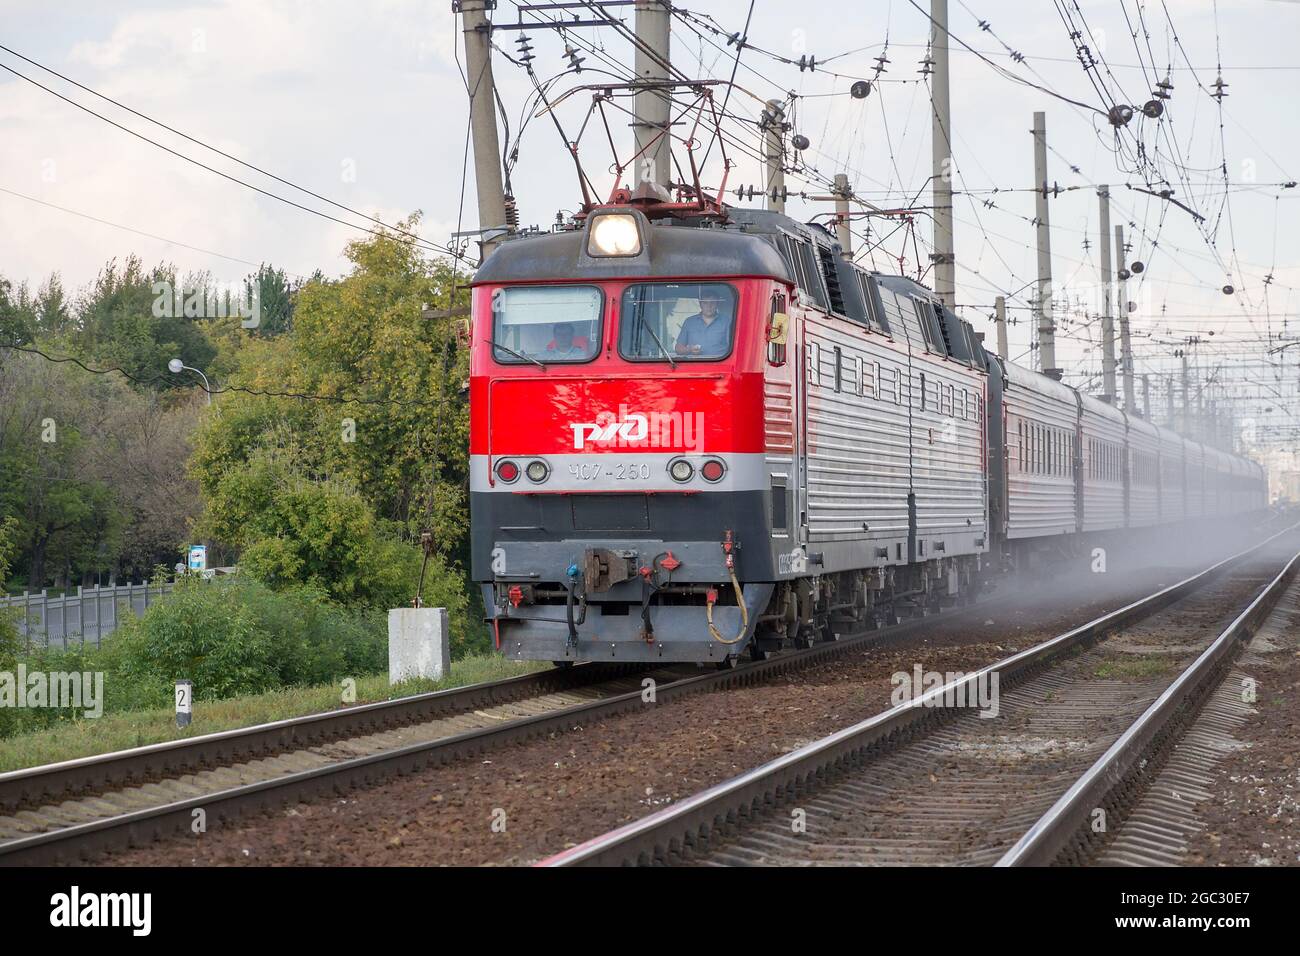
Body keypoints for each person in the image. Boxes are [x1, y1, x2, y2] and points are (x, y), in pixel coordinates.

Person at [673, 291, 732, 357]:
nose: (709, 306)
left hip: (722, 364)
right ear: (700, 304)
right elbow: (678, 349)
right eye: (705, 303)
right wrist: (689, 349)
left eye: (712, 302)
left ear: (717, 303)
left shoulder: (727, 321)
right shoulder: (689, 322)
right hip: (696, 364)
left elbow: (734, 347)